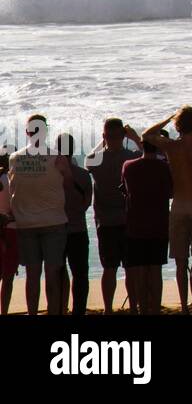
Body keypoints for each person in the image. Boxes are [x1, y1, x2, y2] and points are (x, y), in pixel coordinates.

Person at [142, 106, 192, 313]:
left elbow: (146, 135)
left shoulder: (171, 147)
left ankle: (184, 306)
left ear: (179, 125)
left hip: (179, 207)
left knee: (180, 261)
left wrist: (168, 119)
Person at [8, 114, 73, 316]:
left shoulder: (15, 158)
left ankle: (33, 313)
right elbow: (68, 184)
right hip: (53, 221)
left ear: (27, 132)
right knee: (52, 275)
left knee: (32, 275)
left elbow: (13, 188)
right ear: (45, 131)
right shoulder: (57, 158)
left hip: (26, 223)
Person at [86, 118, 140, 313]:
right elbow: (150, 154)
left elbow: (89, 158)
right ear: (123, 136)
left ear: (104, 136)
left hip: (105, 221)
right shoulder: (131, 157)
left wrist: (103, 141)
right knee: (130, 268)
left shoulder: (96, 160)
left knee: (109, 268)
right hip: (127, 220)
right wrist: (133, 137)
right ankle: (134, 307)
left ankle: (108, 309)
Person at [121, 138, 172, 314]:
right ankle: (156, 309)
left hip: (136, 225)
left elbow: (125, 190)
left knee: (140, 272)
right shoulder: (164, 168)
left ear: (142, 145)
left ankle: (143, 309)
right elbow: (170, 192)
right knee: (155, 272)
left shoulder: (128, 166)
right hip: (159, 224)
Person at [58, 134, 93, 315]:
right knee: (80, 274)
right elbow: (86, 205)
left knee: (58, 273)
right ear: (74, 149)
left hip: (57, 230)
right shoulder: (84, 175)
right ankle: (78, 311)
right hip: (78, 229)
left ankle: (60, 308)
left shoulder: (52, 176)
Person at [0, 154, 17, 314]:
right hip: (11, 229)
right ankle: (3, 311)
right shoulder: (10, 180)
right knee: (8, 277)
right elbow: (16, 207)